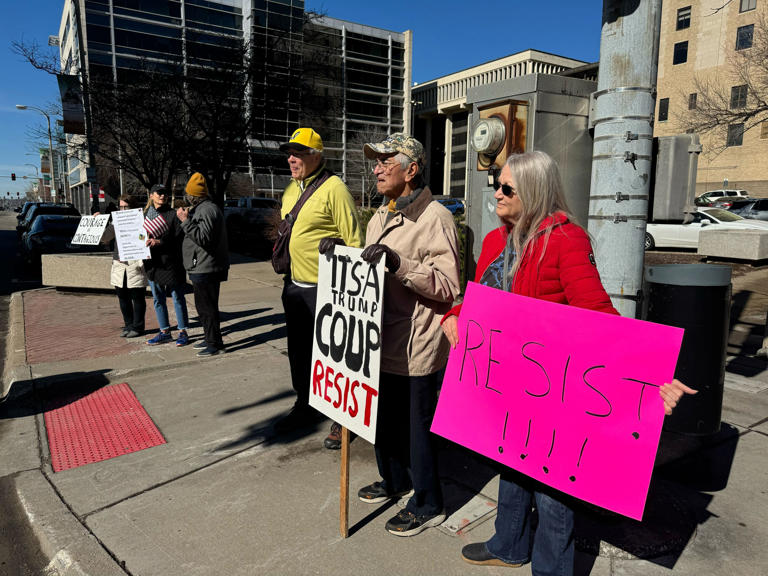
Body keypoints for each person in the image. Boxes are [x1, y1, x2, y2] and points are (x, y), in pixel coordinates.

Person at [441, 151, 696, 574]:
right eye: (496, 185)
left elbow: (599, 316)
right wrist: (454, 317)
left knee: (552, 488)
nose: (497, 194)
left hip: (550, 390)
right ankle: (510, 542)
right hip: (506, 382)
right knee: (509, 459)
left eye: (508, 188)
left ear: (535, 192)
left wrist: (652, 378)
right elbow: (476, 297)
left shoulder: (566, 239)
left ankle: (551, 569)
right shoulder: (494, 240)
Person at [350, 133, 460, 536]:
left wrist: (400, 264)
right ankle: (394, 480)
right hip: (379, 339)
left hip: (416, 342)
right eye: (375, 161)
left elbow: (448, 286)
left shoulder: (435, 218)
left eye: (385, 161)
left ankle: (429, 501)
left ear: (411, 170)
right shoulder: (380, 216)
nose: (376, 168)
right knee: (384, 420)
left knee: (416, 427)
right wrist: (338, 257)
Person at [273, 128, 364, 437]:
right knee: (299, 352)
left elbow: (354, 240)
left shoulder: (334, 188)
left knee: (335, 356)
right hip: (294, 285)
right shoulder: (290, 189)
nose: (291, 159)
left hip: (326, 290)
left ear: (316, 156)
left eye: (298, 153)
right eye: (289, 153)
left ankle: (343, 418)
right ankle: (305, 404)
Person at [177, 172, 229, 358]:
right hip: (203, 266)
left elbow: (203, 238)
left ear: (193, 195)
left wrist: (185, 221)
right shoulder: (203, 209)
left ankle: (214, 343)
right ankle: (210, 339)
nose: (186, 196)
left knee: (207, 308)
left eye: (187, 193)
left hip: (206, 268)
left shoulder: (207, 210)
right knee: (206, 307)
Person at [143, 184, 190, 347]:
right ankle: (164, 332)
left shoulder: (173, 215)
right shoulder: (144, 216)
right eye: (159, 193)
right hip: (152, 263)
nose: (162, 196)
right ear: (151, 195)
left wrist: (160, 242)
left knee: (177, 297)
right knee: (157, 298)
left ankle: (183, 331)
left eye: (165, 193)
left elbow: (179, 240)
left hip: (172, 262)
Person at [107, 194, 148, 338]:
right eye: (121, 206)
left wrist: (141, 239)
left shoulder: (141, 221)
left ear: (133, 206)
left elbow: (144, 239)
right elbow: (105, 238)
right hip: (119, 264)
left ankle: (138, 327)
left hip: (134, 264)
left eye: (126, 206)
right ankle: (128, 325)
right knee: (122, 296)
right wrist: (98, 223)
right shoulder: (115, 222)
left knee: (137, 297)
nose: (123, 209)